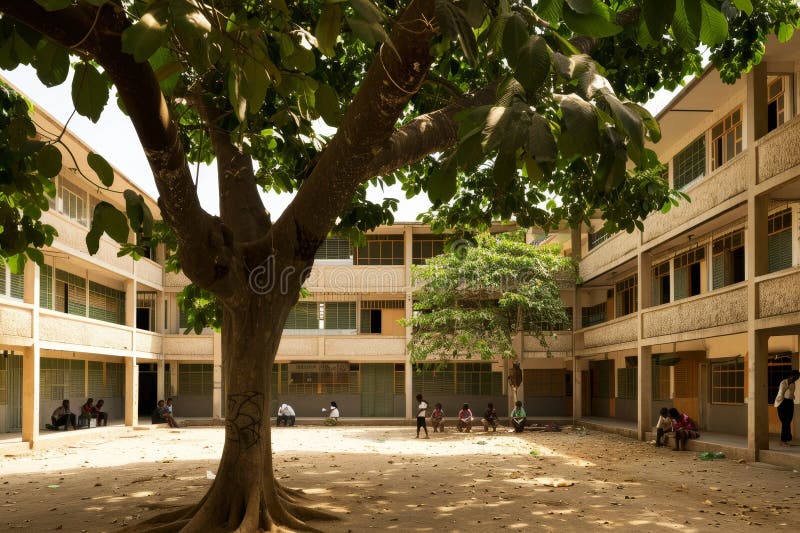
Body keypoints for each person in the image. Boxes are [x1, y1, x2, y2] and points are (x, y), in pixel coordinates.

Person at [775, 370, 800, 446]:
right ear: (791, 376)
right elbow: (780, 394)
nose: (797, 379)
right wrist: (781, 404)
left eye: (798, 377)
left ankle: (785, 440)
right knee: (785, 422)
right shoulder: (784, 382)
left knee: (788, 421)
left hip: (789, 402)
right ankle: (783, 441)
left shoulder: (793, 384)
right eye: (796, 377)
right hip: (782, 403)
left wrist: (792, 399)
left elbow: (791, 394)